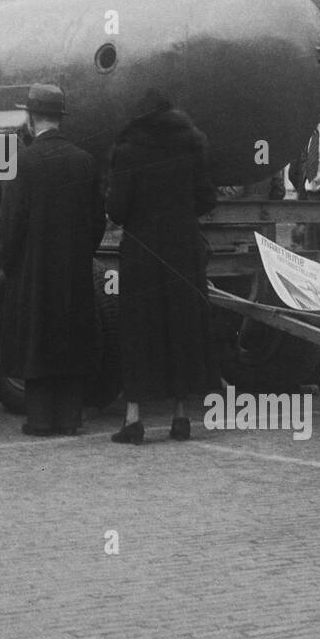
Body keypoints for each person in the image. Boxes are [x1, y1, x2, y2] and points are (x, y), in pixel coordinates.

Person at [106, 89, 218, 445]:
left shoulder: (126, 151)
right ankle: (181, 415)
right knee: (182, 328)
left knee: (139, 331)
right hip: (184, 250)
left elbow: (117, 209)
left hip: (142, 253)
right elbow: (207, 198)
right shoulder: (192, 146)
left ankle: (134, 417)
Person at [0, 84, 105, 437]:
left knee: (36, 339)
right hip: (74, 269)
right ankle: (70, 418)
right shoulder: (84, 160)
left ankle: (41, 419)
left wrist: (10, 264)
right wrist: (81, 253)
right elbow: (97, 221)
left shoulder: (21, 162)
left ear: (30, 119)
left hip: (34, 270)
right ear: (60, 118)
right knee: (71, 338)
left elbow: (10, 222)